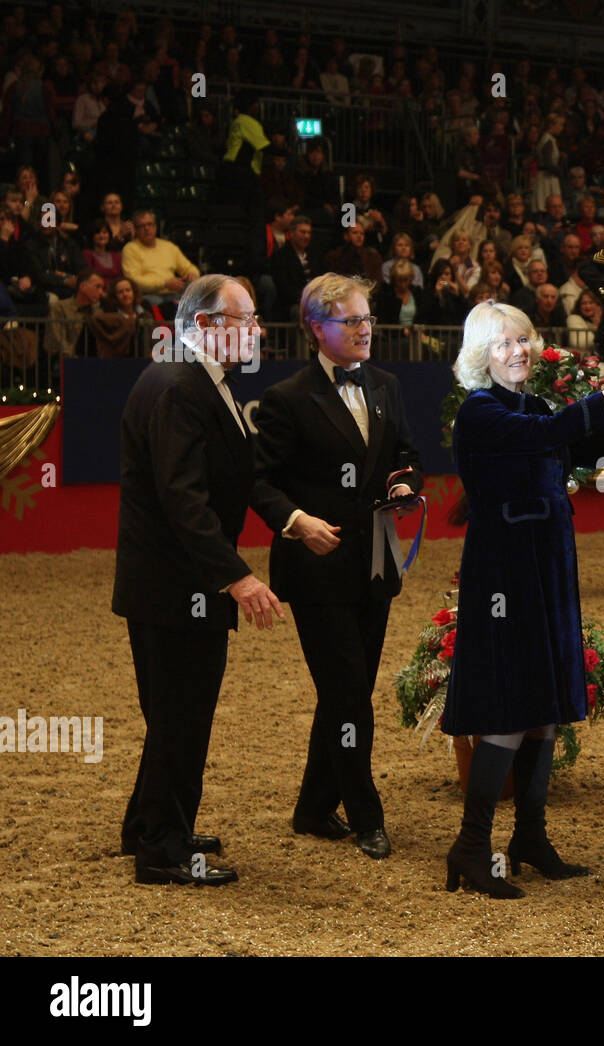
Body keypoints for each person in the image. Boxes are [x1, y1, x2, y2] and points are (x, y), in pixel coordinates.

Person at [442, 300, 604, 897]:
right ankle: (471, 846)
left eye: (524, 340)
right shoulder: (479, 412)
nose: (519, 351)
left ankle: (529, 837)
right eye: (504, 343)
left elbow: (579, 449)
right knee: (508, 708)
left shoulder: (531, 405)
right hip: (505, 572)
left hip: (548, 566)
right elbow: (549, 435)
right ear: (482, 354)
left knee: (543, 711)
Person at [114, 274, 283, 886]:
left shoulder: (191, 379)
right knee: (183, 714)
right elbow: (184, 500)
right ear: (207, 325)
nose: (257, 331)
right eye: (247, 319)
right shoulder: (183, 386)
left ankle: (152, 823)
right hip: (176, 588)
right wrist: (236, 578)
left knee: (171, 713)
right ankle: (163, 849)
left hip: (167, 584)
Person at [253, 273, 424, 861]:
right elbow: (259, 480)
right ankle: (365, 812)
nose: (364, 330)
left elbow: (405, 453)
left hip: (375, 561)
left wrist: (406, 481)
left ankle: (311, 805)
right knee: (349, 692)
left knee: (344, 690)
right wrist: (296, 520)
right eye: (351, 321)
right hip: (316, 569)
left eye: (367, 319)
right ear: (315, 327)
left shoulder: (386, 385)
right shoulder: (286, 399)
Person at [122, 211, 200, 307]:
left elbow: (188, 267)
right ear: (136, 230)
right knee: (163, 305)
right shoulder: (130, 249)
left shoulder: (168, 246)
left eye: (150, 224)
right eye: (141, 226)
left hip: (173, 293)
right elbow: (133, 280)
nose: (146, 228)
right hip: (148, 295)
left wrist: (192, 274)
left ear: (155, 227)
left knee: (195, 300)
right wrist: (164, 284)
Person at [45, 269, 105, 358]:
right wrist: (76, 358)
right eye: (97, 287)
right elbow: (57, 340)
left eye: (102, 288)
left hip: (94, 363)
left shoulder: (99, 312)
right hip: (64, 362)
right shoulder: (60, 307)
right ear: (83, 287)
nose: (101, 292)